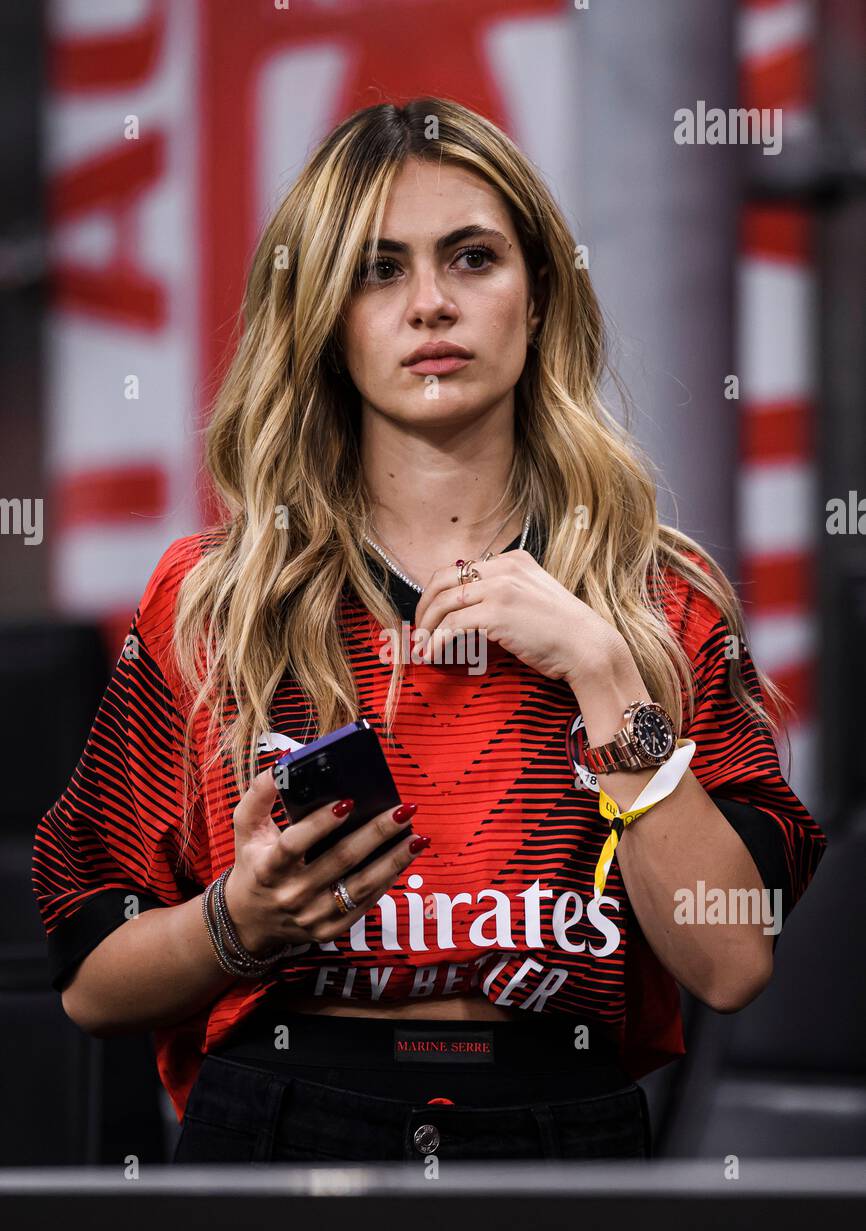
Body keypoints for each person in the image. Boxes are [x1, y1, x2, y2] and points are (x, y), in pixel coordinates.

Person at [32, 97, 826, 1166]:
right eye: (377, 269)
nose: (429, 305)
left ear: (538, 295)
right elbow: (88, 983)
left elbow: (730, 962)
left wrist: (600, 672)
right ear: (320, 315)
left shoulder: (656, 596)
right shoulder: (214, 597)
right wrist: (236, 922)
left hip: (567, 1134)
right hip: (278, 1125)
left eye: (470, 258)